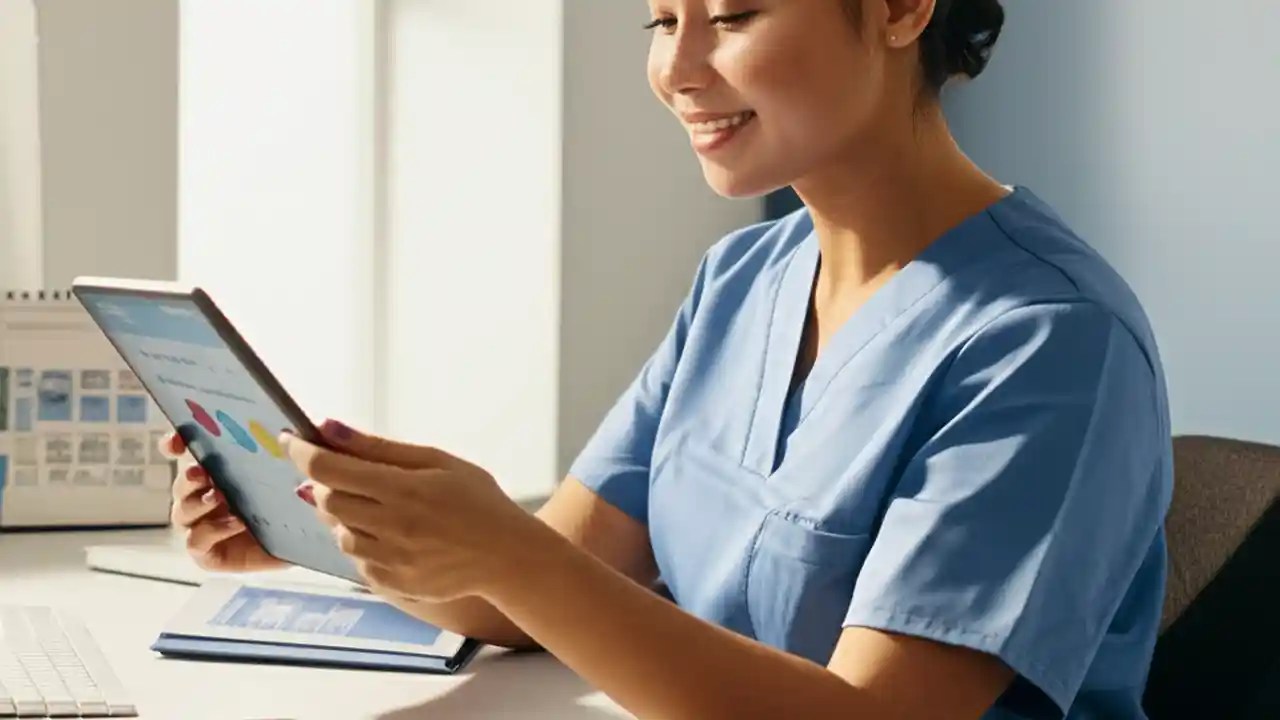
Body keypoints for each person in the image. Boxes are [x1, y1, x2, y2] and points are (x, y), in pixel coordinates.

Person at [163, 1, 1173, 717]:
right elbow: (526, 594)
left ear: (904, 7)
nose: (678, 68)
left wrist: (509, 553)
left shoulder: (1046, 341)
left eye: (731, 18)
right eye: (659, 19)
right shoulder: (739, 282)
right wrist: (318, 525)